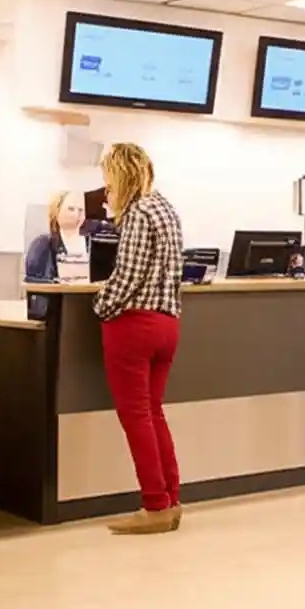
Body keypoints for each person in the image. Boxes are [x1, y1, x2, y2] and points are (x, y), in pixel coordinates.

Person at [93, 143, 185, 535]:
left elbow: (127, 277)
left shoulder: (137, 212)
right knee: (154, 412)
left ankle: (153, 505)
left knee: (136, 417)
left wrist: (101, 305)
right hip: (167, 323)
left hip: (135, 326)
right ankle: (171, 499)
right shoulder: (165, 207)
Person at [24, 190, 87, 282]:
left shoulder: (93, 244)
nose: (77, 214)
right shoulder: (41, 246)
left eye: (81, 210)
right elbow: (34, 284)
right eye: (71, 209)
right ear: (56, 212)